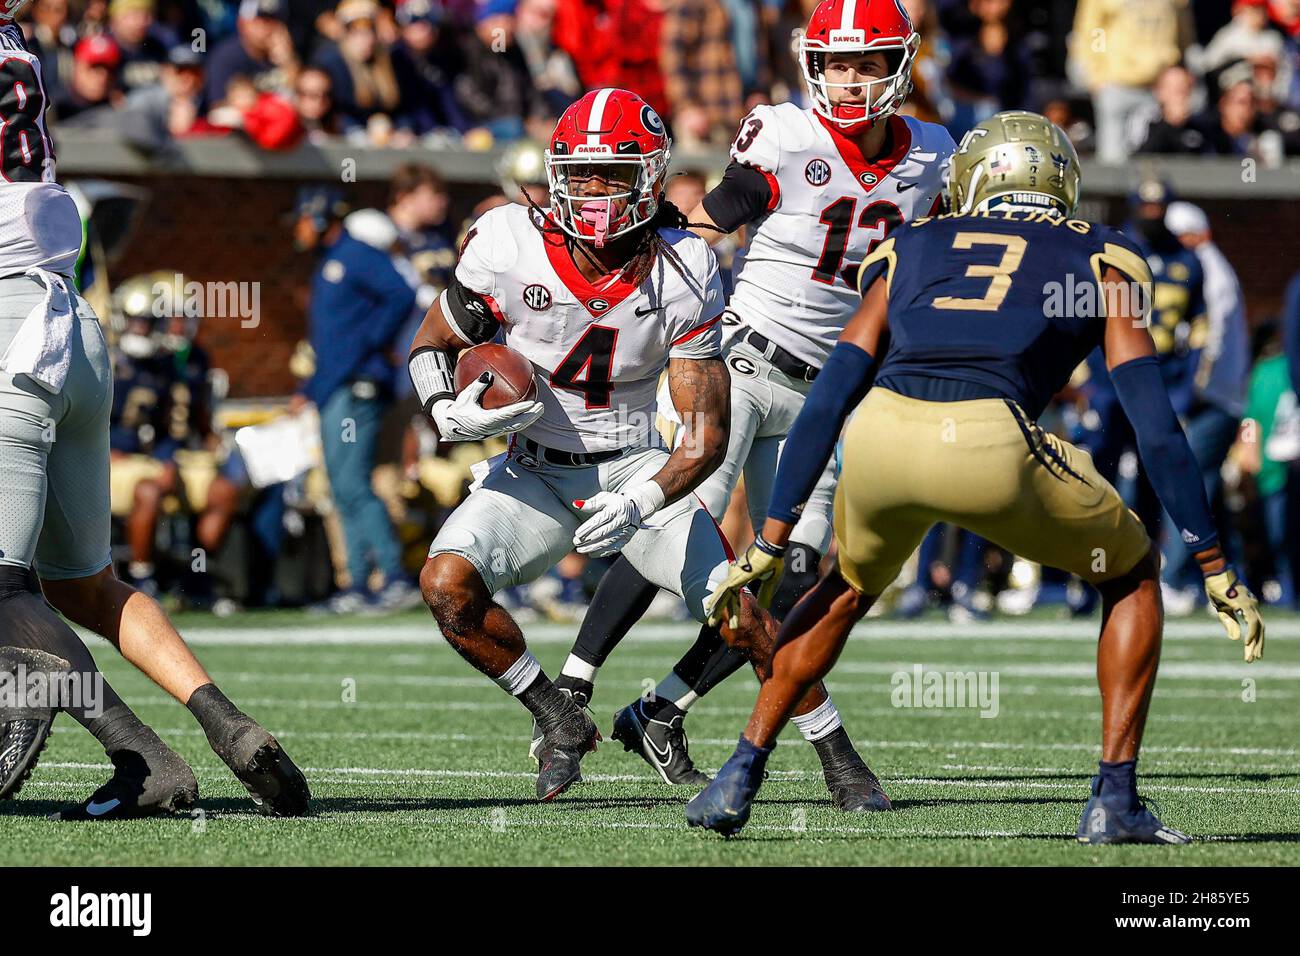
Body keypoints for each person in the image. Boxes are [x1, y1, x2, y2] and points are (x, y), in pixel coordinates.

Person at [689, 110, 1263, 842]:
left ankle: (740, 770)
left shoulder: (912, 243)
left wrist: (768, 542)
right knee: (1131, 573)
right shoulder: (1103, 255)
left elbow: (832, 394)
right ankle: (1114, 800)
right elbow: (1154, 424)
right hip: (994, 442)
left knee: (844, 587)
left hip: (881, 435)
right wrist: (1211, 561)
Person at [409, 88, 861, 803]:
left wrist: (644, 498)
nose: (591, 190)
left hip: (630, 463)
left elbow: (705, 434)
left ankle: (838, 756)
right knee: (446, 588)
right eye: (578, 172)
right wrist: (443, 406)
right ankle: (558, 715)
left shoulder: (686, 267)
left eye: (610, 175)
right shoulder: (506, 240)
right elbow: (433, 343)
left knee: (736, 612)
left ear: (649, 177)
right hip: (528, 471)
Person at [558, 0, 950, 804]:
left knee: (788, 578)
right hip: (741, 364)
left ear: (901, 63)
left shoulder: (935, 156)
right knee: (678, 529)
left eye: (866, 61)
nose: (847, 77)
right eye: (835, 61)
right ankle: (574, 688)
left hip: (831, 391)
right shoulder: (785, 132)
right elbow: (714, 221)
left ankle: (663, 708)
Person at [0, 5, 309, 818]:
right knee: (85, 586)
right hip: (70, 322)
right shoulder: (17, 47)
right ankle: (229, 725)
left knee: (4, 588)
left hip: (8, 328)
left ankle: (140, 759)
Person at [296, 206, 424, 614]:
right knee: (342, 487)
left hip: (355, 386)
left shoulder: (353, 253)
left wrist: (370, 343)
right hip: (339, 383)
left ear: (318, 218)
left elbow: (402, 294)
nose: (297, 229)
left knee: (352, 485)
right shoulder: (337, 258)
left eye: (301, 218)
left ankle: (391, 576)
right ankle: (356, 582)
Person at [1160, 201, 1251, 612]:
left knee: (1187, 484)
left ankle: (1176, 579)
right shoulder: (1212, 269)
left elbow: (1208, 340)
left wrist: (1190, 392)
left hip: (1213, 399)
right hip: (1219, 398)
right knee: (1209, 491)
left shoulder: (1209, 274)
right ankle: (1226, 577)